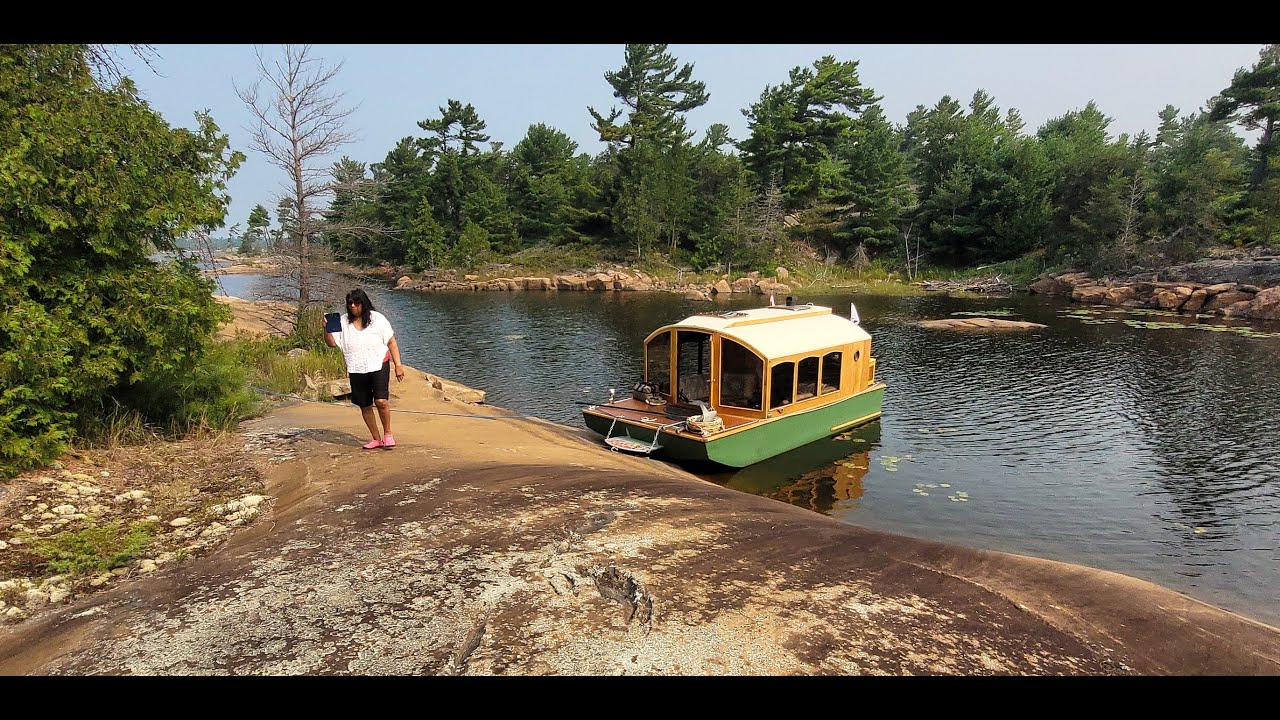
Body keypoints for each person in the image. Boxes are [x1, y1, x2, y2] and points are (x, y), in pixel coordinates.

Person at [323, 289, 406, 449]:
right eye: (350, 303)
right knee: (365, 404)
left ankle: (388, 433)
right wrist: (326, 330)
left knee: (381, 401)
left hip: (379, 363)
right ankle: (376, 438)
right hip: (356, 367)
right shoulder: (343, 321)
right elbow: (332, 344)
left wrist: (398, 365)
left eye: (357, 303)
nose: (353, 306)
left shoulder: (377, 319)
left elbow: (391, 342)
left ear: (364, 303)